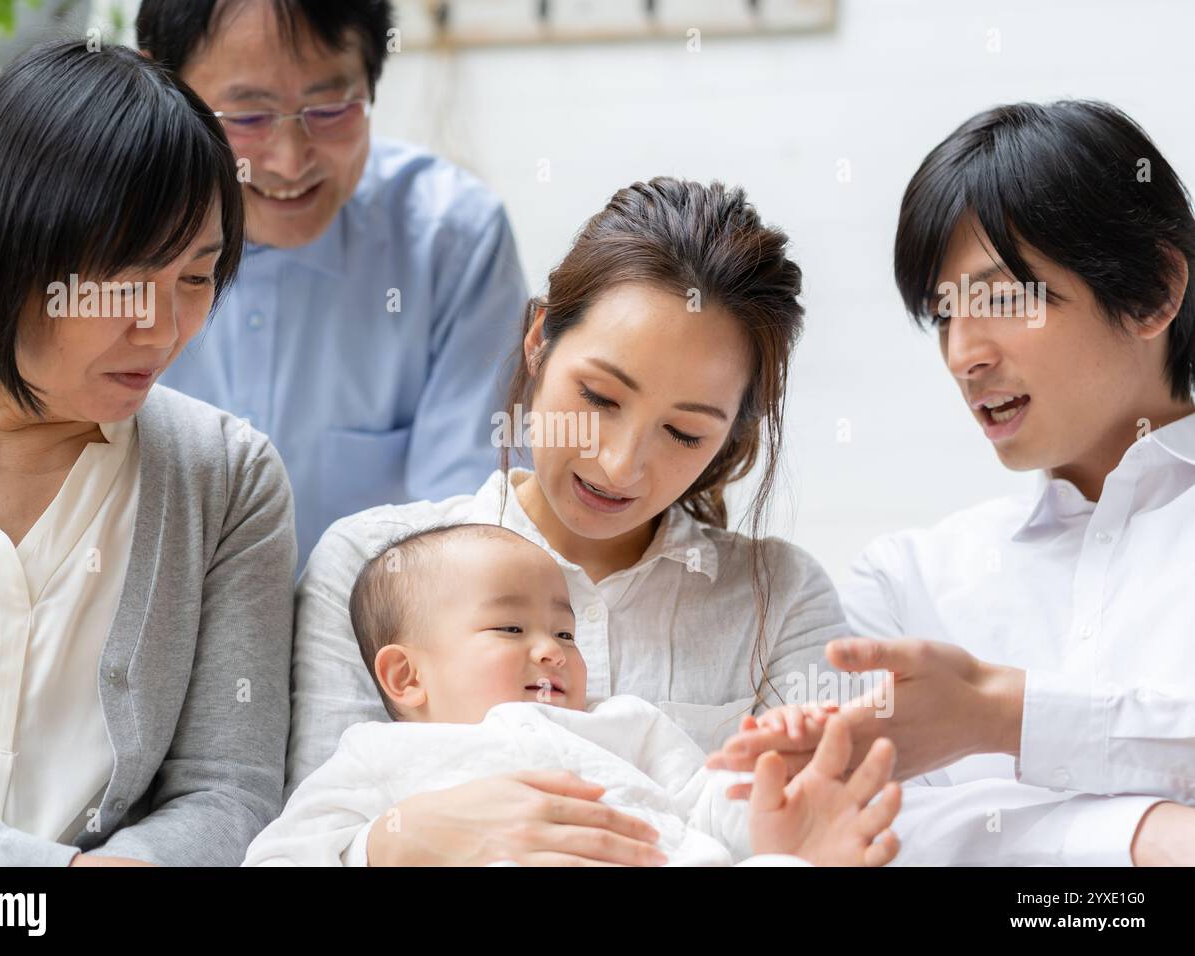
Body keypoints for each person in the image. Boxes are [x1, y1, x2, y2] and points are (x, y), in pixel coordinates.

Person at [290, 176, 852, 865]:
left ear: (732, 435)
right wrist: (399, 843)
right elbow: (295, 847)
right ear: (537, 341)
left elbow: (827, 834)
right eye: (598, 397)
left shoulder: (782, 597)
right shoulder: (377, 561)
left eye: (684, 434)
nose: (619, 465)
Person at [710, 100, 1195, 865]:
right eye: (941, 313)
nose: (963, 354)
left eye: (1003, 298)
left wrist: (1002, 718)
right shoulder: (909, 585)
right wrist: (1149, 837)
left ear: (1154, 293)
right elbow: (866, 830)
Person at [0, 41, 295, 866]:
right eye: (124, 280)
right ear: (6, 247)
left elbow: (230, 788)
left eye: (196, 278)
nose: (163, 329)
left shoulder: (227, 479)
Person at [245, 524, 902, 867]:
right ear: (406, 677)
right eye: (510, 629)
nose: (551, 649)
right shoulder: (380, 756)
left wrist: (766, 806)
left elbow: (703, 803)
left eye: (564, 630)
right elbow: (279, 858)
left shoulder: (626, 725)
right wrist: (382, 847)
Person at [138, 0, 530, 569]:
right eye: (248, 117)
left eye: (330, 109)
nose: (292, 161)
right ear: (159, 87)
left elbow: (464, 534)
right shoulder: (103, 242)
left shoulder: (454, 241)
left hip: (378, 645)